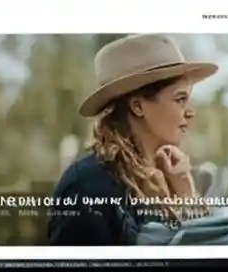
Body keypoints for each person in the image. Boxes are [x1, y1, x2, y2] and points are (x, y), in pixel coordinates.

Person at [49, 34, 217, 246]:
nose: (190, 112)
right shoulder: (88, 186)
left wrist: (186, 193)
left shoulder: (170, 175)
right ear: (137, 107)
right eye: (180, 99)